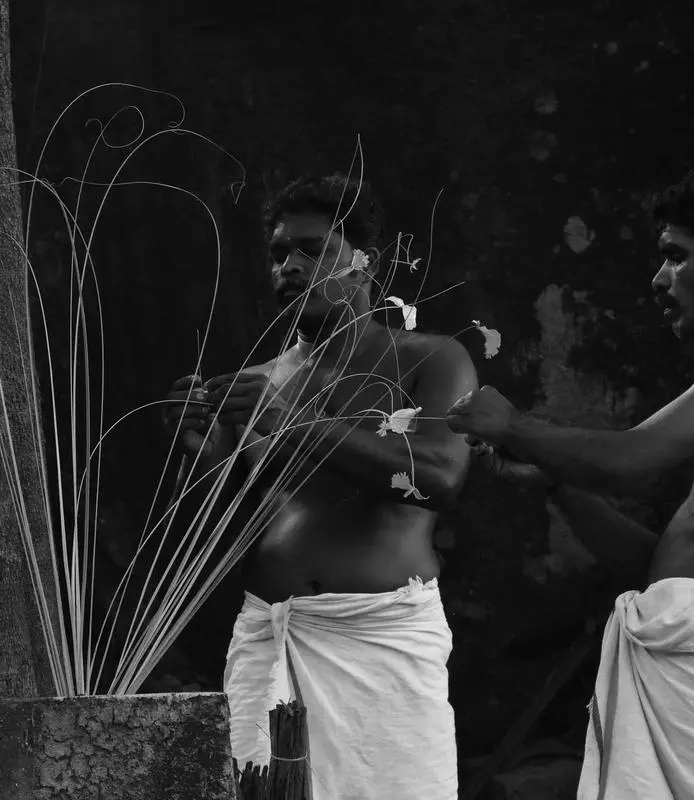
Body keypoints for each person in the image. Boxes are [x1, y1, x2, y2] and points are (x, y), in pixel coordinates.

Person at [446, 158, 694, 799]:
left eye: (677, 257)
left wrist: (513, 424)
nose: (659, 279)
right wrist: (556, 484)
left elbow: (630, 462)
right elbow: (663, 573)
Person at [162, 173, 476, 799]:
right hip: (269, 634)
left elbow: (438, 477)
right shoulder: (254, 383)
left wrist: (293, 419)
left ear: (366, 264)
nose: (290, 266)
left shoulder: (429, 358)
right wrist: (195, 453)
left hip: (381, 636)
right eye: (279, 254)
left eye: (313, 250)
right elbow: (206, 529)